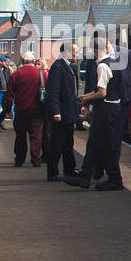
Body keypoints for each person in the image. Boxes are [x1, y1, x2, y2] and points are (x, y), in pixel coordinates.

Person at [65, 36, 131, 191]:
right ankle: (89, 175)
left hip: (113, 105)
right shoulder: (103, 62)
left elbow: (101, 91)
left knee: (107, 142)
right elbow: (93, 83)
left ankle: (109, 177)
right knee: (97, 140)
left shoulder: (114, 59)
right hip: (109, 104)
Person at [44, 41, 81, 182]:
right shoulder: (58, 67)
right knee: (57, 144)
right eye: (74, 52)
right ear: (67, 52)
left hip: (69, 111)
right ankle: (52, 172)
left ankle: (70, 169)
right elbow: (53, 91)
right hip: (61, 112)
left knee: (68, 143)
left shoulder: (68, 66)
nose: (76, 55)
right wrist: (55, 111)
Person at [9, 51, 46, 168]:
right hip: (37, 110)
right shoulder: (40, 74)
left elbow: (9, 95)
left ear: (22, 61)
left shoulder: (15, 75)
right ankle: (36, 159)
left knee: (20, 136)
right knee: (36, 136)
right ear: (33, 61)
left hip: (20, 110)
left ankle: (19, 160)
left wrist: (7, 111)